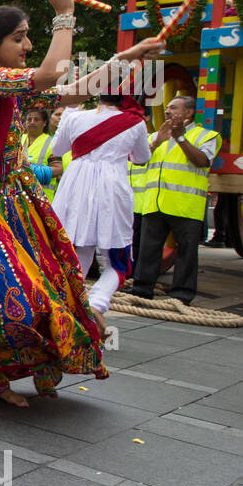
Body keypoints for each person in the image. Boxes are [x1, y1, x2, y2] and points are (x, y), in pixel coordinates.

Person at [0, 0, 164, 407]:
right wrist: (64, 14)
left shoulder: (11, 87)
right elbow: (52, 74)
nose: (29, 45)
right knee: (18, 297)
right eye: (19, 37)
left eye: (28, 36)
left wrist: (131, 55)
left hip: (12, 204)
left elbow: (74, 90)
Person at [49, 83, 153, 337]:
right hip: (112, 189)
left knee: (77, 252)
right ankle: (96, 302)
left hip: (75, 187)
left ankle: (68, 313)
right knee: (118, 260)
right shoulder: (135, 122)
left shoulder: (73, 117)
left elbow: (56, 150)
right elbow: (141, 158)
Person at [128, 95, 219, 304]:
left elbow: (202, 161)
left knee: (187, 252)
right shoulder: (154, 136)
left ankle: (182, 294)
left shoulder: (206, 136)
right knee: (148, 249)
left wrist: (180, 138)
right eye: (167, 107)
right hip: (155, 202)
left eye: (174, 108)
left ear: (189, 112)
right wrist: (158, 141)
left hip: (186, 205)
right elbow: (138, 161)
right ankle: (142, 288)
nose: (167, 111)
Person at [22, 107, 59, 201]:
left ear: (45, 123)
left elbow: (58, 169)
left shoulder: (52, 142)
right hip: (19, 196)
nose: (32, 122)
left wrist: (34, 172)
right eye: (29, 119)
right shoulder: (17, 139)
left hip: (42, 198)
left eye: (36, 119)